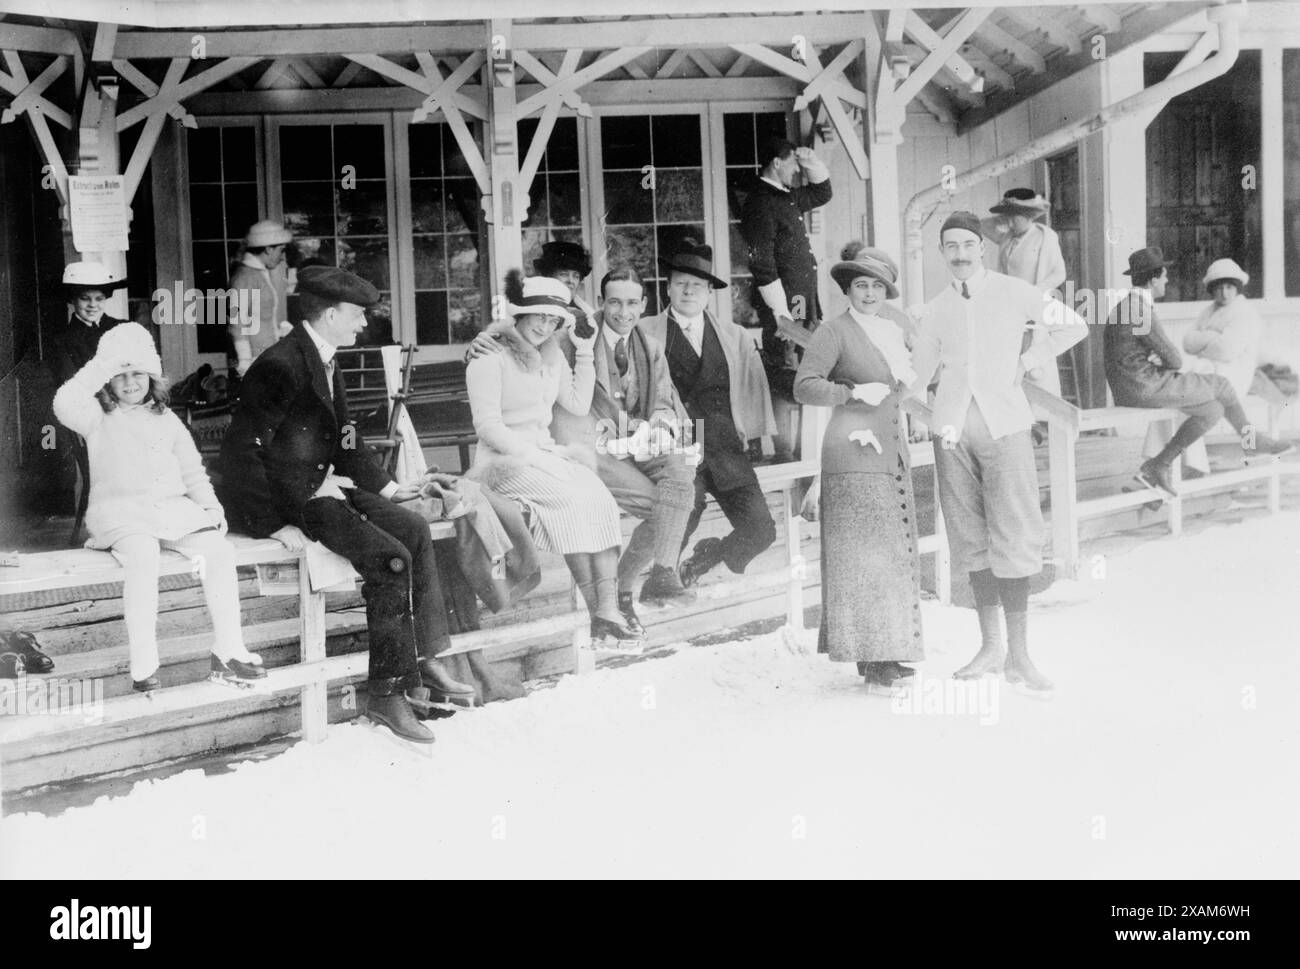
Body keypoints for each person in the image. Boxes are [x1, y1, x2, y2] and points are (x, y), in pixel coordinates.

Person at [218, 266, 474, 745]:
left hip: (323, 485)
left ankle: (423, 661)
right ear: (331, 314)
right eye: (358, 314)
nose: (364, 323)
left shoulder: (324, 358)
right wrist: (271, 524)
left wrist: (392, 490)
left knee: (414, 529)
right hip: (290, 499)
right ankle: (386, 694)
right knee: (390, 559)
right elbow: (241, 452)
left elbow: (347, 438)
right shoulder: (279, 364)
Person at [909, 211, 1089, 695]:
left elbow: (1073, 325)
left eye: (968, 244)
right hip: (952, 431)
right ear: (942, 252)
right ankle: (990, 648)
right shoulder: (936, 308)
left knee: (1015, 534)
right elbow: (917, 374)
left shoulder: (1014, 291)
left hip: (1005, 426)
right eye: (951, 246)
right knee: (969, 536)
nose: (961, 254)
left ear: (982, 249)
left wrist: (1027, 361)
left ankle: (1020, 656)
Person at [53, 322, 266, 692]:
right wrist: (101, 365)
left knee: (219, 552)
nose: (130, 383)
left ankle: (228, 648)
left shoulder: (166, 418)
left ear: (152, 377)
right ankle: (144, 663)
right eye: (120, 375)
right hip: (121, 513)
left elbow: (192, 471)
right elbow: (63, 402)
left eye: (138, 373)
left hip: (170, 511)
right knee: (142, 557)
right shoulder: (96, 416)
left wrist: (211, 508)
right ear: (107, 380)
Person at [464, 275, 638, 649]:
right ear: (521, 314)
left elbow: (576, 403)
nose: (545, 327)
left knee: (599, 497)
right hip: (503, 464)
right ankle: (599, 613)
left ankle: (608, 609)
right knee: (572, 501)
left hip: (546, 455)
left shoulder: (552, 354)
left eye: (553, 320)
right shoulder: (489, 356)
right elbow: (488, 426)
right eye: (538, 316)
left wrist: (585, 350)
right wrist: (536, 460)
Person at [793, 246, 923, 692]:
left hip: (889, 452)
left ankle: (884, 654)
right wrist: (849, 393)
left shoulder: (891, 331)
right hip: (851, 457)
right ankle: (873, 657)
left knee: (887, 557)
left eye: (876, 286)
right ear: (848, 290)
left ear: (886, 292)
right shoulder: (834, 331)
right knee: (861, 560)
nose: (869, 293)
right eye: (860, 285)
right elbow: (804, 386)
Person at [640, 239, 778, 587]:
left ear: (708, 292)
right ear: (668, 287)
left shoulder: (734, 336)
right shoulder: (644, 333)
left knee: (761, 530)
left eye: (697, 285)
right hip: (678, 452)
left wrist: (754, 437)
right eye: (681, 283)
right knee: (680, 520)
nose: (688, 290)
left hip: (725, 448)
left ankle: (708, 557)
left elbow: (752, 389)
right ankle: (657, 587)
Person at [1104, 247, 1292, 496]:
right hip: (1144, 386)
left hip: (1132, 386)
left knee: (1213, 409)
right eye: (1164, 276)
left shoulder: (1125, 306)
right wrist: (1162, 358)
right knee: (1221, 385)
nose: (1167, 281)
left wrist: (1158, 357)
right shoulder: (1140, 309)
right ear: (1153, 279)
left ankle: (1159, 464)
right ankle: (1251, 440)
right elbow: (1175, 358)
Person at [741, 138, 833, 462]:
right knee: (785, 372)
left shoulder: (785, 196)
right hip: (786, 307)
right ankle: (785, 455)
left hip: (803, 304)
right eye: (793, 163)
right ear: (777, 163)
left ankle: (805, 452)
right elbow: (762, 263)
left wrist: (810, 162)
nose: (797, 171)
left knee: (808, 372)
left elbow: (822, 193)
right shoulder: (759, 202)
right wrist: (781, 314)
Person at [1145, 257, 1268, 476]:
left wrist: (1204, 340)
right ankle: (1165, 462)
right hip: (1210, 372)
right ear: (1212, 290)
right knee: (1174, 399)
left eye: (1229, 287)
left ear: (1237, 288)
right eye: (1219, 288)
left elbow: (1226, 350)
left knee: (1187, 399)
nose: (1224, 293)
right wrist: (1213, 336)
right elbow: (1188, 342)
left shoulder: (1245, 313)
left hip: (1233, 375)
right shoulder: (1209, 311)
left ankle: (1187, 467)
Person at [54, 262, 130, 530]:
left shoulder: (121, 328)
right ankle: (117, 523)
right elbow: (75, 386)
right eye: (85, 298)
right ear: (73, 300)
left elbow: (137, 369)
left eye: (98, 298)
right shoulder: (63, 339)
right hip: (97, 417)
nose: (92, 305)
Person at [989, 189, 1068, 397]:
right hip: (1011, 311)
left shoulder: (1044, 237)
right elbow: (984, 224)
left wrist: (1034, 292)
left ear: (1028, 216)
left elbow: (1059, 273)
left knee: (1037, 367)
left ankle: (1043, 413)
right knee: (1011, 363)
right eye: (1007, 217)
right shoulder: (1006, 239)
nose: (1010, 223)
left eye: (1014, 218)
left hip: (1034, 307)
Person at [228, 219, 293, 377]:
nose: (283, 257)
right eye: (281, 250)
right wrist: (244, 362)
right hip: (253, 361)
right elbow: (237, 321)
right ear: (269, 249)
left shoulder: (258, 273)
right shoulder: (245, 276)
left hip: (266, 356)